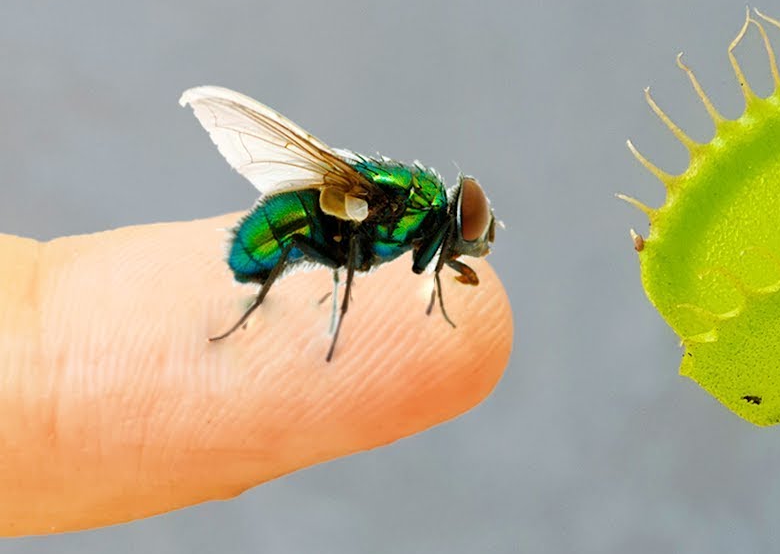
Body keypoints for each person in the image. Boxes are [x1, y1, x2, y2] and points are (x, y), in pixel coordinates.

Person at [0, 214, 513, 536]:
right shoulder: (408, 212)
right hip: (275, 234)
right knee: (325, 246)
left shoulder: (420, 223)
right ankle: (259, 311)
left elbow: (402, 256)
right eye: (469, 228)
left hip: (307, 223)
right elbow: (362, 252)